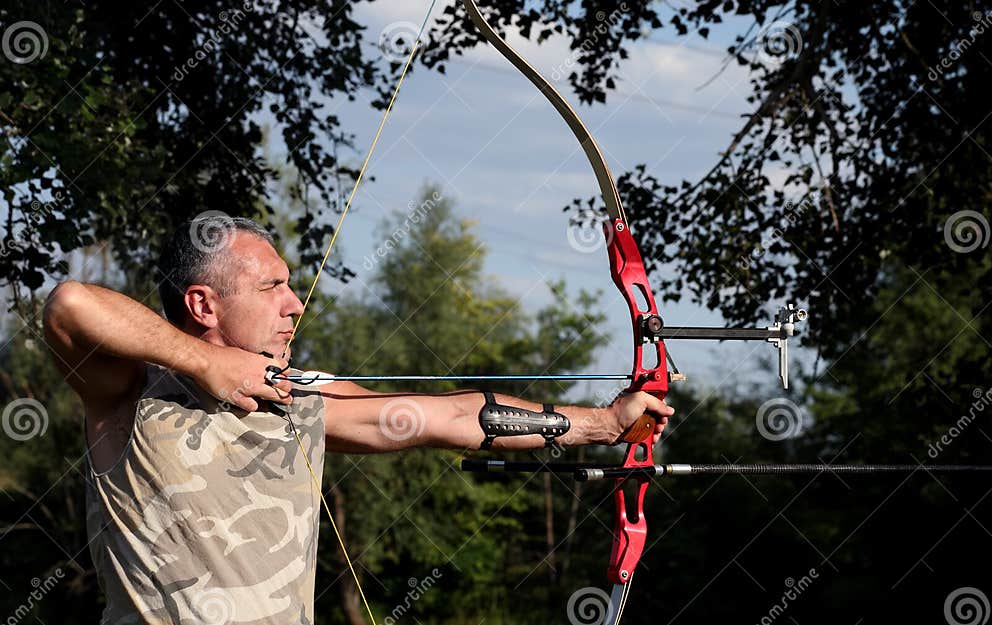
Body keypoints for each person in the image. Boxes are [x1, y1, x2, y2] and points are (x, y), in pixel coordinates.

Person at [42, 216, 672, 624]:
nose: (295, 305)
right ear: (203, 304)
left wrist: (603, 423)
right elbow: (70, 305)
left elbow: (452, 416)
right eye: (271, 288)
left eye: (291, 288)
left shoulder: (301, 395)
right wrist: (206, 363)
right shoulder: (130, 396)